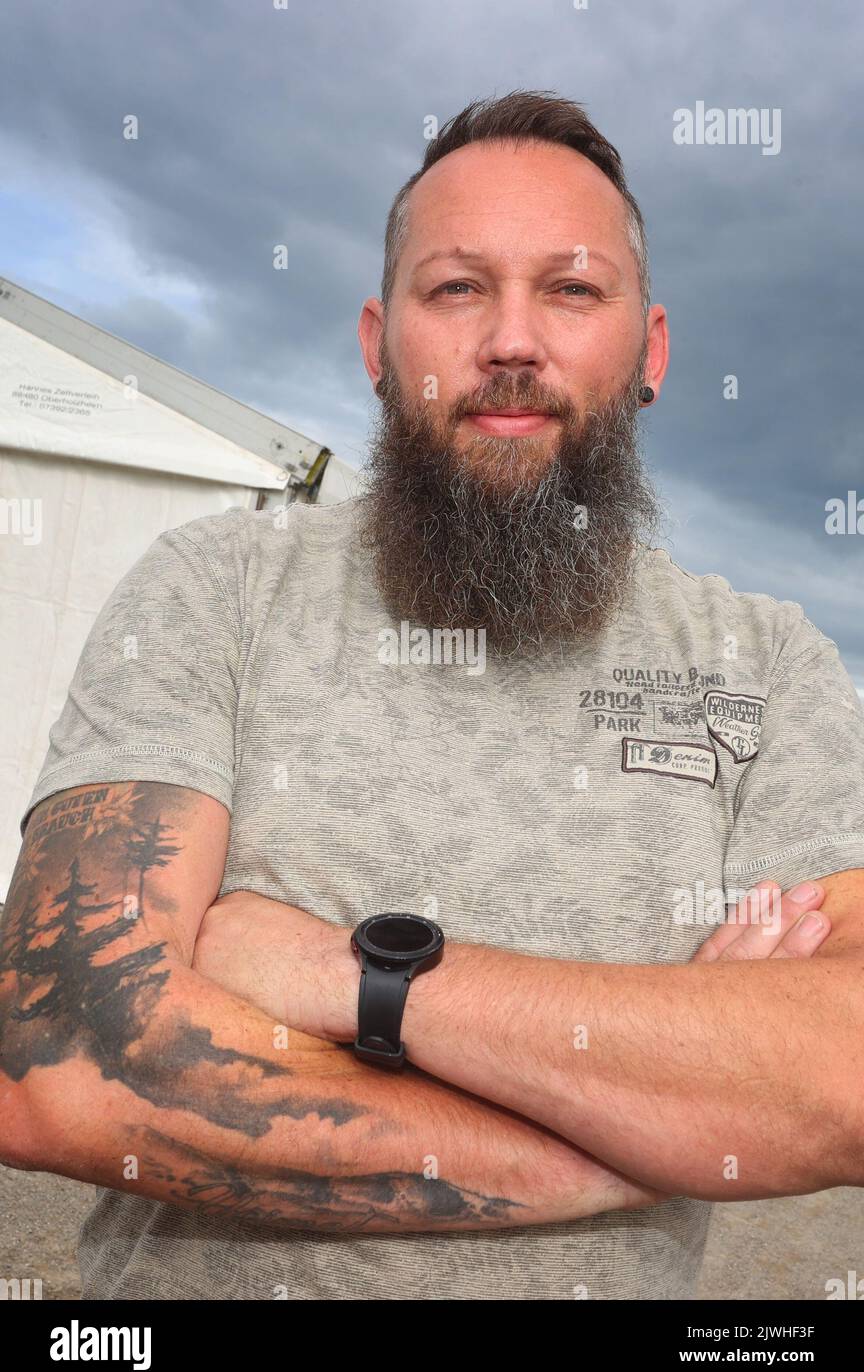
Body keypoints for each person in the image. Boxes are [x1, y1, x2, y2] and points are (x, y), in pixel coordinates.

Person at [2, 90, 864, 1302]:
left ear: (653, 351)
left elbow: (843, 1073)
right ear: (376, 343)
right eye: (457, 288)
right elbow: (64, 1056)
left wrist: (353, 979)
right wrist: (649, 1129)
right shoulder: (216, 591)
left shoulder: (764, 665)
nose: (512, 339)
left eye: (571, 290)